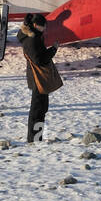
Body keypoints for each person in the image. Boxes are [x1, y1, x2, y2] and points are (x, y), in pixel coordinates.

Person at [18, 13, 62, 142]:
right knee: (38, 110)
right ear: (36, 25)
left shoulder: (31, 35)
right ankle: (34, 139)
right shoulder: (32, 39)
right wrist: (53, 49)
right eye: (43, 27)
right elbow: (39, 60)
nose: (45, 29)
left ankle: (37, 137)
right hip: (38, 78)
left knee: (41, 108)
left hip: (36, 77)